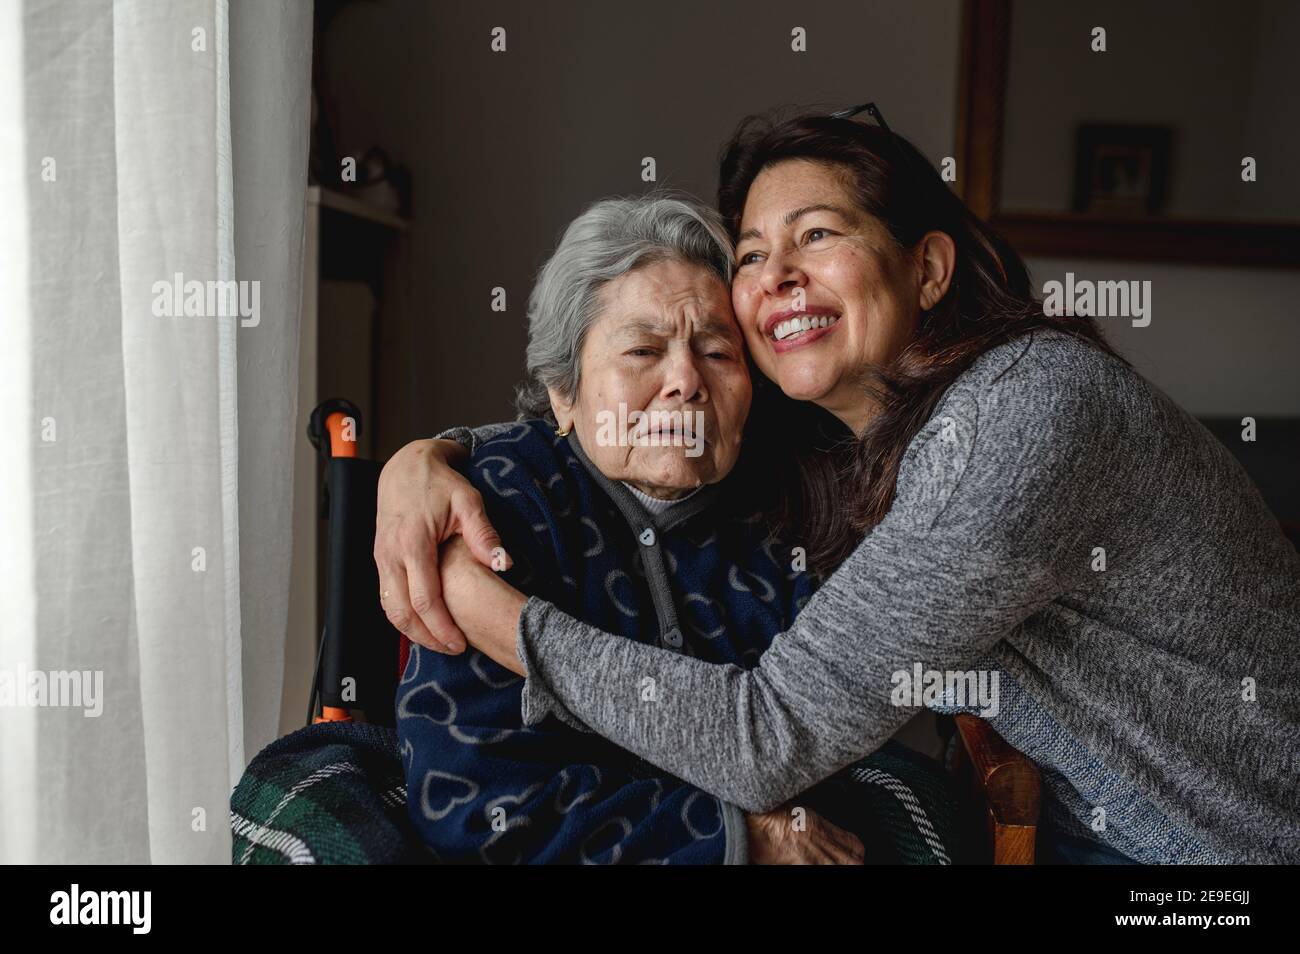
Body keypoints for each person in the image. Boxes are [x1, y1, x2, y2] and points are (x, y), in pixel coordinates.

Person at [379, 111, 1300, 864]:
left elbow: (765, 734)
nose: (777, 276)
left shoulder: (1022, 418)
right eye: (750, 254)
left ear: (928, 269)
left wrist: (481, 603)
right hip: (1107, 816)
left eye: (816, 235)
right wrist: (426, 457)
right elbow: (614, 424)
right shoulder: (850, 438)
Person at [396, 193, 899, 864]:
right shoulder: (497, 506)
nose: (685, 380)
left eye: (718, 354)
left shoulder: (798, 514)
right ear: (564, 393)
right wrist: (737, 836)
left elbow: (826, 761)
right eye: (642, 351)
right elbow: (475, 804)